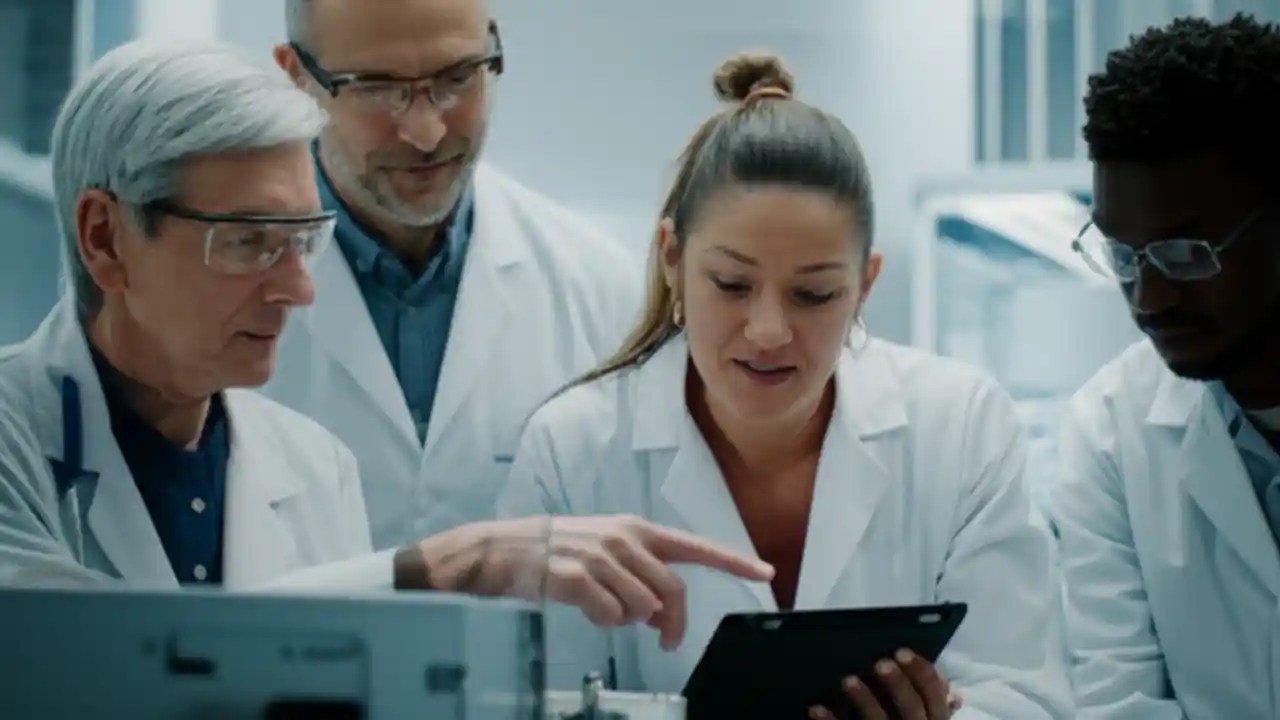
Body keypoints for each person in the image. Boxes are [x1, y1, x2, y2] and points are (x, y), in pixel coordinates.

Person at [0, 39, 773, 646]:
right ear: (106, 237)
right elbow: (74, 668)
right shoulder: (15, 436)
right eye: (247, 243)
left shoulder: (312, 467)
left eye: (302, 239)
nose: (300, 290)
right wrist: (432, 571)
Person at [498, 53, 1074, 719]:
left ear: (865, 286)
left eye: (814, 293)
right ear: (673, 259)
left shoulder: (962, 426)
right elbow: (525, 704)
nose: (769, 329)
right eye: (733, 285)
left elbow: (1027, 697)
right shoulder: (573, 450)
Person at [265, 0, 642, 547]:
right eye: (376, 86)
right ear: (297, 78)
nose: (425, 131)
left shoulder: (599, 287)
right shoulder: (220, 293)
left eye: (457, 78)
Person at [1053, 13, 1280, 719]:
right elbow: (1118, 701)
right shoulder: (1110, 432)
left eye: (1187, 254)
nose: (1149, 298)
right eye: (1124, 256)